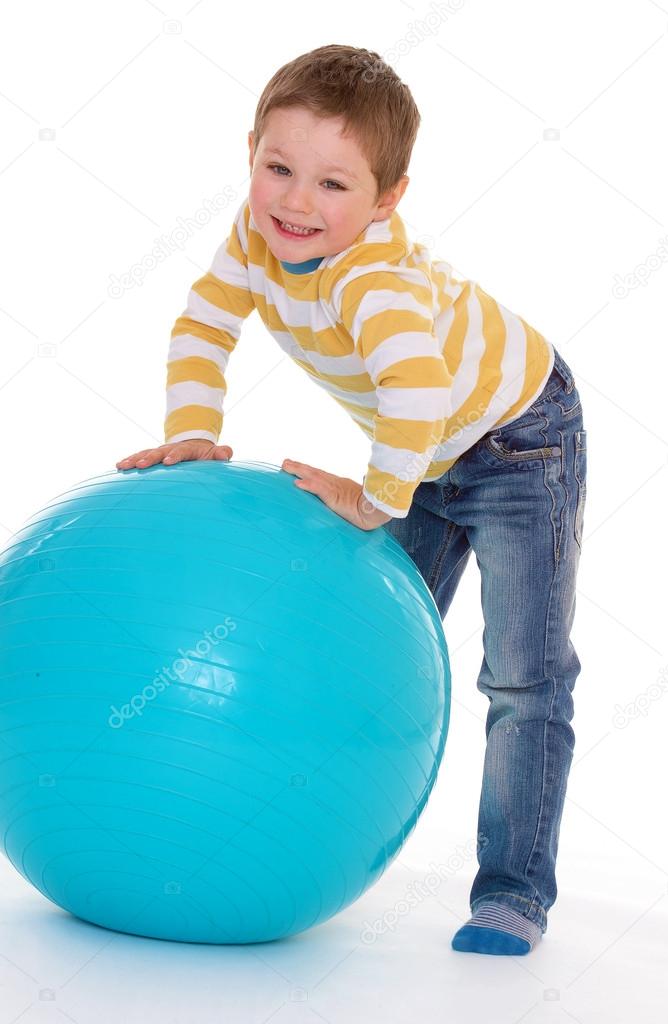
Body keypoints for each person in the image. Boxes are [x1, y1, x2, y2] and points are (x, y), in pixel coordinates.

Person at [116, 43, 588, 956]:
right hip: (423, 448)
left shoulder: (374, 282)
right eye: (278, 168)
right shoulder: (255, 237)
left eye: (333, 184)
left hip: (520, 444)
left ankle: (513, 893)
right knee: (359, 657)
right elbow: (203, 323)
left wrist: (377, 498)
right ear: (250, 151)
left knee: (523, 677)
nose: (295, 203)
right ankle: (283, 833)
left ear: (386, 199)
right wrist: (193, 429)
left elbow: (415, 388)